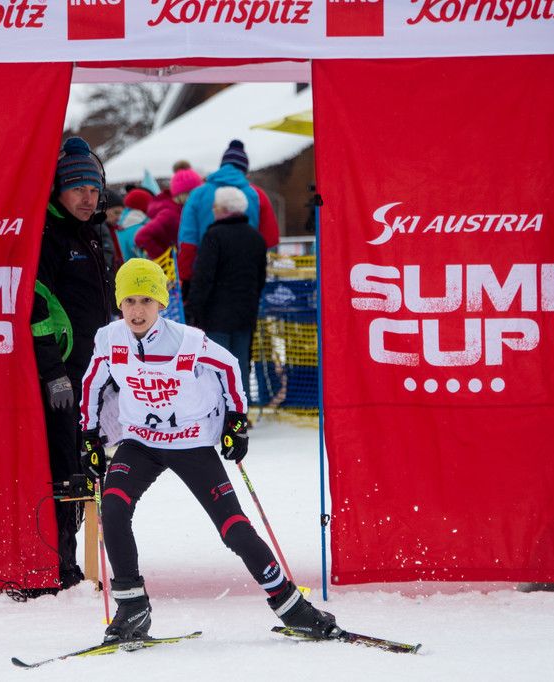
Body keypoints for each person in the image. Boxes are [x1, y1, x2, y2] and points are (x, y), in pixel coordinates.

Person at [78, 258, 336, 643]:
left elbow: (231, 367)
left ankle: (293, 608)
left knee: (233, 528)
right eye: (129, 301)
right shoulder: (109, 339)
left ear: (161, 304)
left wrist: (235, 422)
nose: (136, 311)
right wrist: (89, 437)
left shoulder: (188, 340)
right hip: (140, 442)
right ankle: (133, 608)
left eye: (146, 301)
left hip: (191, 442)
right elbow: (91, 384)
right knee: (113, 508)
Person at [31, 136, 116, 592]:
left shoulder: (94, 233)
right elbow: (35, 308)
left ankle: (74, 559)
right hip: (61, 374)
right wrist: (53, 372)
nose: (88, 197)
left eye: (93, 188)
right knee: (62, 465)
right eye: (78, 188)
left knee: (87, 462)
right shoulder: (48, 236)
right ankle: (56, 564)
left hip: (92, 371)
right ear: (58, 191)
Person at [186, 187, 267, 404]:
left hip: (216, 314)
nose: (212, 210)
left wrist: (194, 308)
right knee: (240, 363)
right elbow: (260, 278)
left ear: (223, 209)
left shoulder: (214, 237)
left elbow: (203, 277)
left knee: (216, 364)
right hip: (245, 312)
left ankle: (219, 408)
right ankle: (241, 409)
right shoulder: (256, 238)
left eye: (215, 206)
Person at [177, 140, 279, 287]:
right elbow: (270, 240)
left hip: (204, 276)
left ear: (222, 166)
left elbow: (188, 242)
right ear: (244, 170)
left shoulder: (197, 194)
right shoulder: (257, 195)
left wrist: (186, 278)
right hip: (244, 278)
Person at [134, 168, 202, 260]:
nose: (195, 196)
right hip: (174, 269)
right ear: (179, 193)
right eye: (190, 193)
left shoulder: (184, 209)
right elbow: (141, 237)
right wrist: (165, 257)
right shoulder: (169, 214)